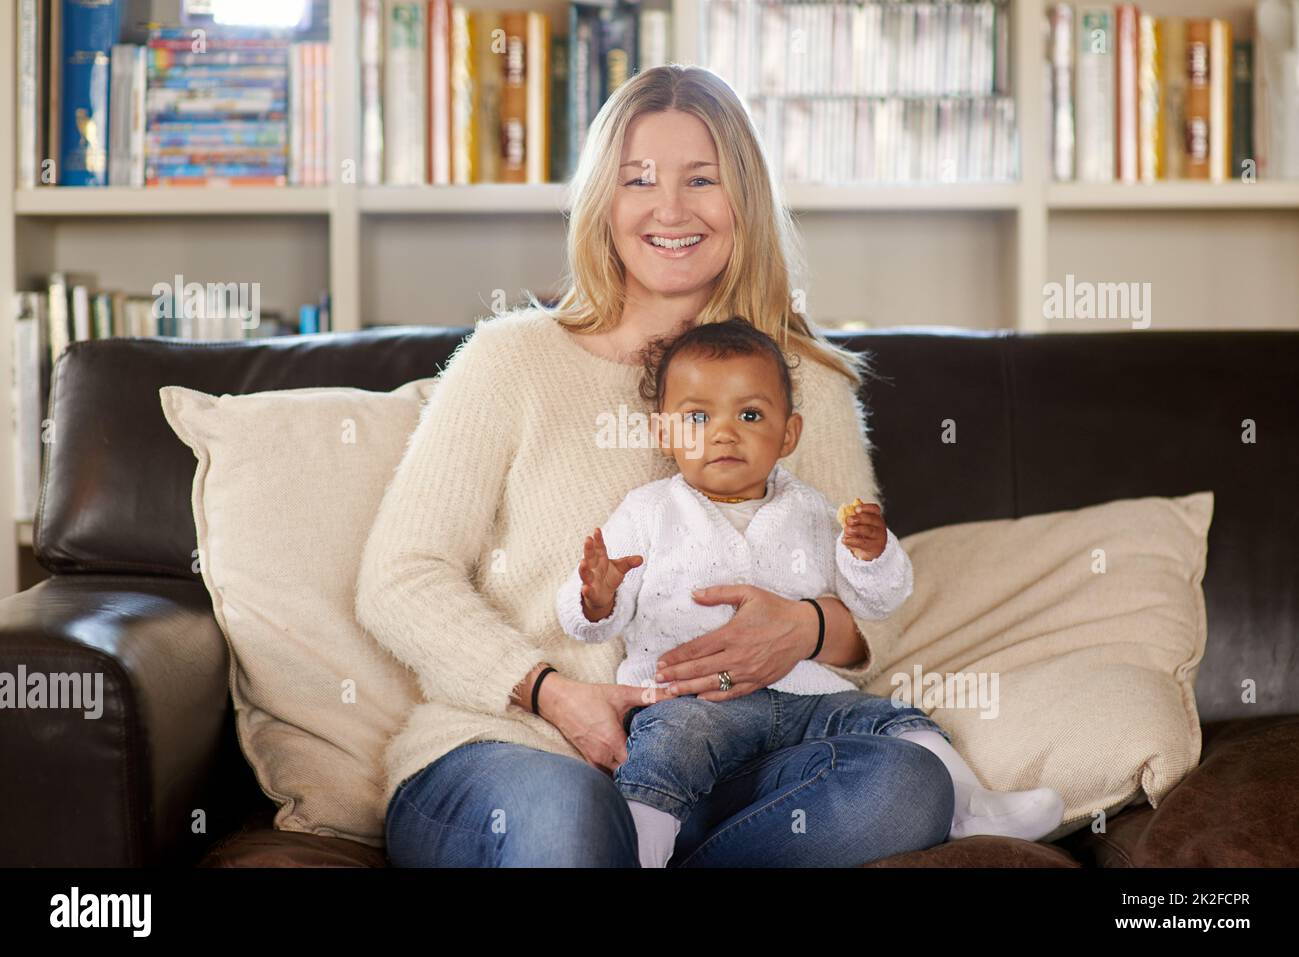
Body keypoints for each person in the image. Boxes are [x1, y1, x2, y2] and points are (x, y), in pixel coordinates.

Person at [357, 65, 965, 866]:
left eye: (702, 180)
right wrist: (553, 692)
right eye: (638, 179)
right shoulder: (511, 359)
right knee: (573, 821)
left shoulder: (801, 378)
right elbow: (399, 576)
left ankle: (653, 842)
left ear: (741, 199)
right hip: (517, 748)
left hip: (733, 755)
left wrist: (807, 626)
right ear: (602, 201)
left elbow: (874, 611)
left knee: (907, 785)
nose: (670, 209)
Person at [555, 317, 1065, 866]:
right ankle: (642, 846)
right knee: (667, 749)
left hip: (804, 699)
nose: (724, 433)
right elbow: (591, 624)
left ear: (789, 434)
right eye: (697, 417)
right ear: (663, 433)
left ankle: (968, 805)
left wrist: (871, 554)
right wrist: (597, 598)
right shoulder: (648, 511)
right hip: (694, 701)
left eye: (750, 415)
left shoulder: (814, 511)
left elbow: (877, 601)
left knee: (893, 719)